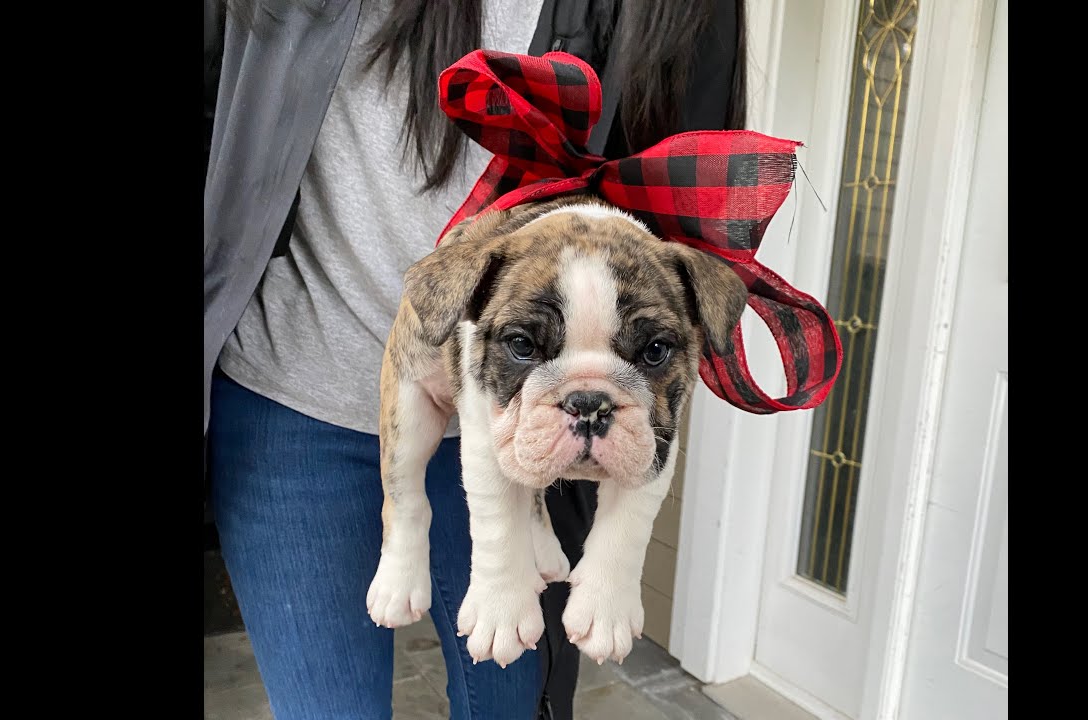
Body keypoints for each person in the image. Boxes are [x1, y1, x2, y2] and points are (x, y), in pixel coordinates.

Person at [203, 0, 747, 718]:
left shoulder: (669, 17)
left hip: (514, 434)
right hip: (294, 379)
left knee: (512, 697)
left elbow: (691, 242)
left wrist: (616, 555)